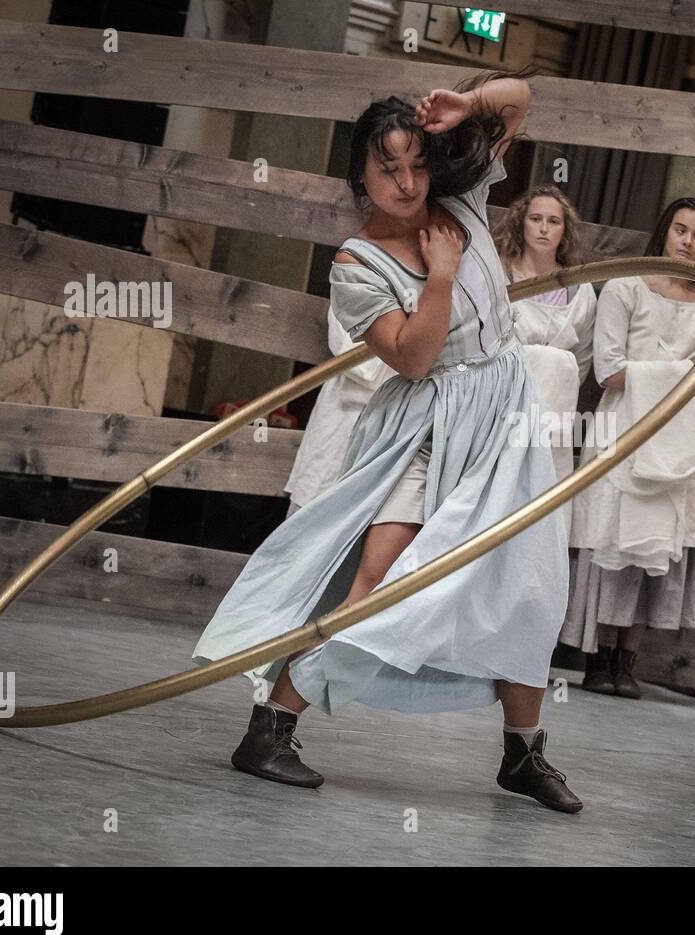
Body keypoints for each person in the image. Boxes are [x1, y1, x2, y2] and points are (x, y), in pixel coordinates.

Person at [192, 70, 583, 814]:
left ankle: (523, 752)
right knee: (380, 580)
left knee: (529, 584)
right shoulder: (355, 263)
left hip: (506, 418)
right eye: (386, 167)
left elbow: (521, 97)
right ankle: (270, 728)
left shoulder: (462, 200)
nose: (405, 183)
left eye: (415, 163)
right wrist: (440, 275)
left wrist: (469, 104)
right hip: (426, 428)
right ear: (360, 174)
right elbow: (411, 358)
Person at [560, 198, 695, 698]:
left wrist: (677, 376)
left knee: (655, 543)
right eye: (680, 230)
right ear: (664, 231)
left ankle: (627, 659)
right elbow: (609, 369)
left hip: (678, 433)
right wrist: (678, 372)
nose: (687, 241)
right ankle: (594, 656)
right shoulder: (625, 286)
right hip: (623, 425)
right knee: (612, 535)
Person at [494, 184, 597, 524]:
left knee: (540, 507)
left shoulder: (580, 292)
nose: (543, 228)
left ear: (564, 230)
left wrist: (554, 376)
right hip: (501, 403)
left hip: (553, 415)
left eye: (553, 221)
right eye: (535, 218)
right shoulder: (499, 277)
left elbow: (581, 355)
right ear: (521, 223)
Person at [282, 312, 396, 518]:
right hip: (343, 411)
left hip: (406, 419)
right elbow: (351, 349)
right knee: (311, 513)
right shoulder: (359, 280)